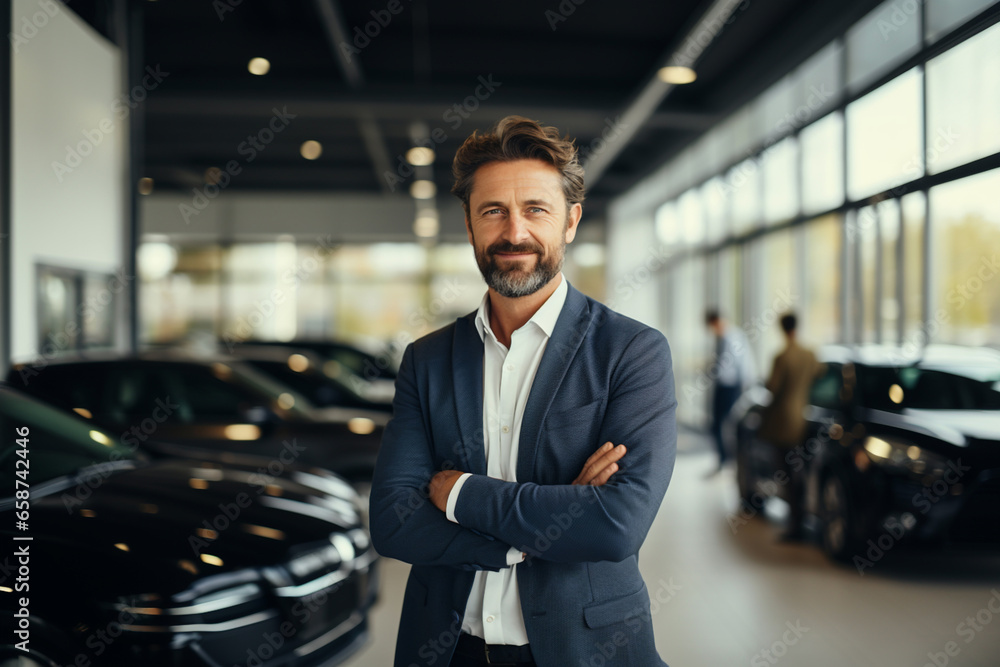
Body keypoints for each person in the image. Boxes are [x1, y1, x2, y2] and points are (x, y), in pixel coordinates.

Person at [370, 116, 677, 667]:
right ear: (469, 225)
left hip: (584, 649)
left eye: (536, 209)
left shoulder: (633, 352)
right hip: (445, 648)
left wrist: (459, 493)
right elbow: (394, 524)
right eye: (494, 211)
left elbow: (615, 526)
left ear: (571, 222)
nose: (514, 233)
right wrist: (548, 524)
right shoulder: (427, 360)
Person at [757, 313, 822, 539]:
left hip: (783, 421)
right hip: (802, 417)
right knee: (799, 471)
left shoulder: (782, 357)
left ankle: (796, 524)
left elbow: (773, 388)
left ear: (782, 329)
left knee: (786, 473)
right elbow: (819, 375)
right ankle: (802, 518)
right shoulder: (810, 354)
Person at [704, 310, 756, 476]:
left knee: (724, 423)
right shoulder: (723, 337)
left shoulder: (732, 337)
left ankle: (728, 459)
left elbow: (741, 365)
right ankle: (724, 458)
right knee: (717, 423)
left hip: (731, 386)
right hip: (723, 386)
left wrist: (743, 388)